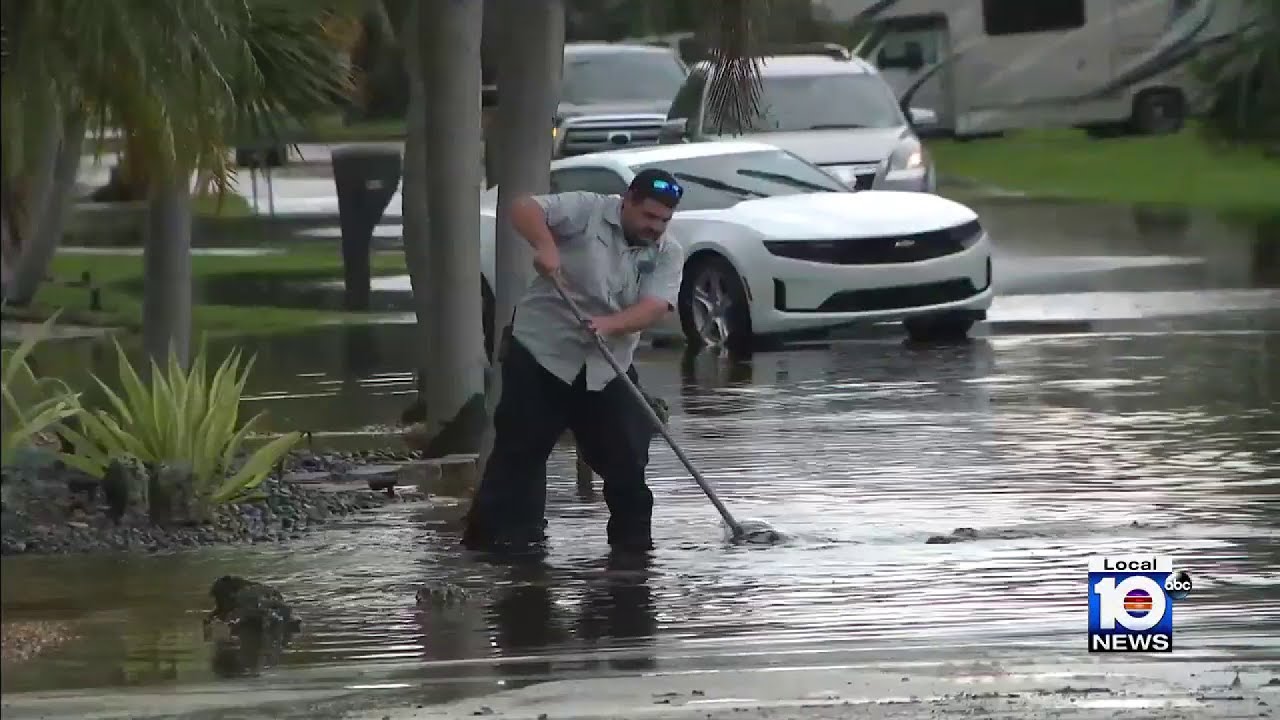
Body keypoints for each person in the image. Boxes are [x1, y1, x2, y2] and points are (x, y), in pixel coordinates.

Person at [461, 168, 686, 555]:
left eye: (663, 221)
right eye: (649, 217)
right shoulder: (585, 210)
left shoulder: (668, 253)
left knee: (628, 460)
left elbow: (654, 307)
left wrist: (609, 325)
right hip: (542, 355)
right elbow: (524, 207)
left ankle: (633, 556)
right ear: (627, 201)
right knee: (520, 455)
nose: (655, 228)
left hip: (607, 364)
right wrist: (545, 246)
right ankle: (499, 549)